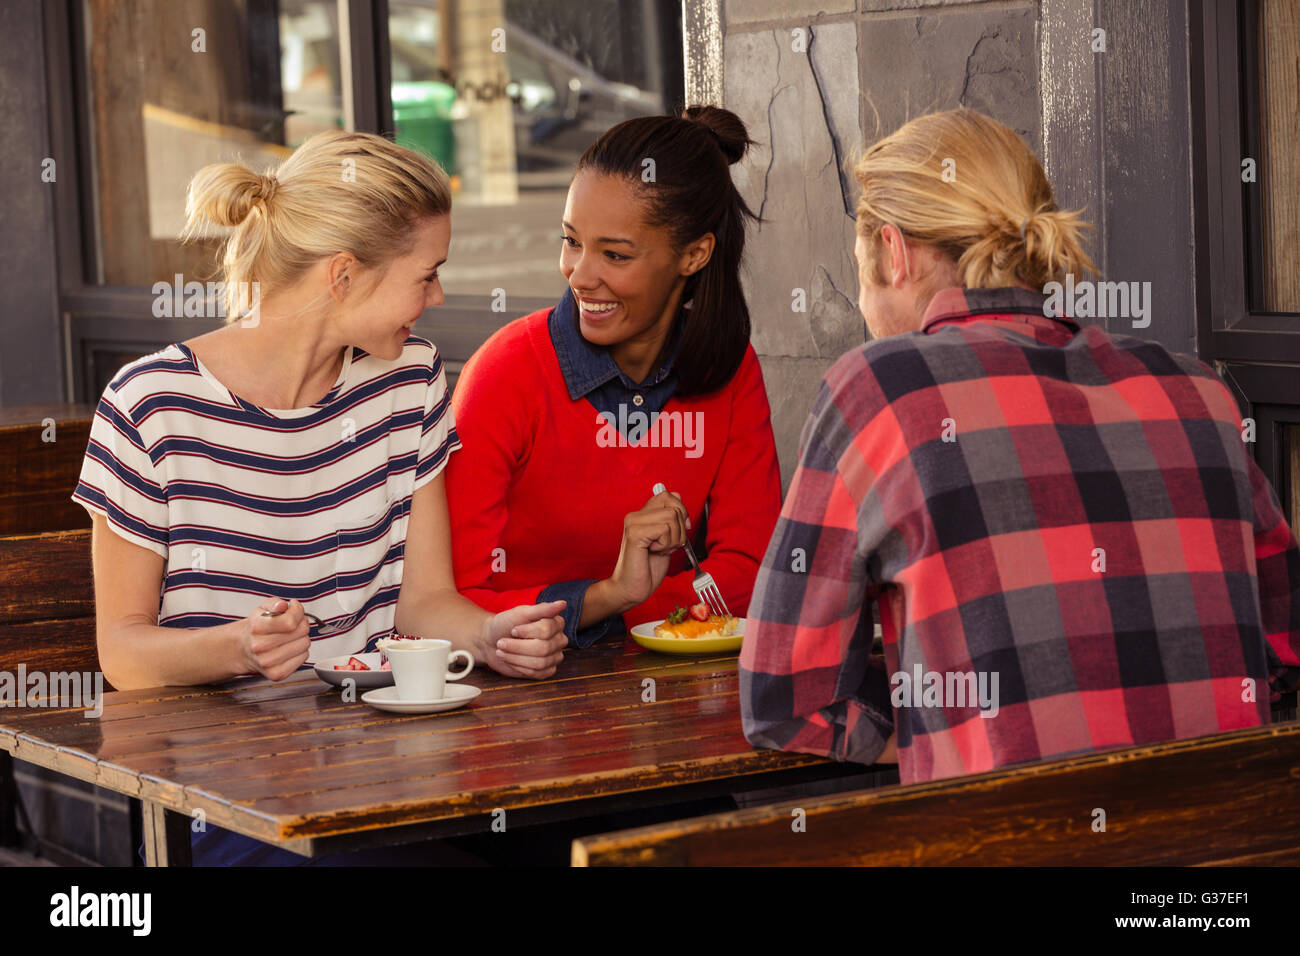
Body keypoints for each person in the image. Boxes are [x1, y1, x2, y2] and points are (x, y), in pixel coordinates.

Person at [740, 108, 1300, 784]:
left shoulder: (878, 390)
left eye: (860, 272)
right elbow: (1282, 650)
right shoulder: (1198, 389)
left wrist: (952, 732)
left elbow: (784, 701)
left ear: (893, 251)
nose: (864, 304)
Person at [71, 130, 566, 864]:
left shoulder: (409, 379)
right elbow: (124, 653)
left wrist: (490, 637)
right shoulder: (152, 404)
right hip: (223, 800)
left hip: (390, 771)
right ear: (343, 275)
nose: (437, 297)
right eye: (426, 275)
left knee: (573, 830)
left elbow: (423, 602)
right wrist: (238, 647)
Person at [445, 106, 782, 646]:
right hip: (509, 691)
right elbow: (454, 598)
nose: (579, 274)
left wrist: (619, 615)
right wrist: (610, 598)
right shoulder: (504, 373)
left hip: (669, 686)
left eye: (615, 254)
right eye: (571, 240)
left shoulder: (731, 368)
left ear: (694, 254)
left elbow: (750, 568)